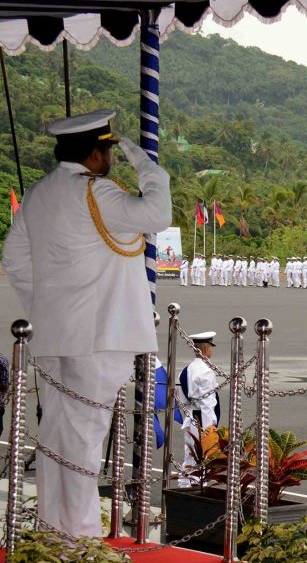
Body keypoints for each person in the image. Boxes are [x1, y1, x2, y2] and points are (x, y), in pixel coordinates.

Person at [3, 108, 172, 536]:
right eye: (109, 151)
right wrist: (146, 166)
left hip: (57, 333)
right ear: (96, 155)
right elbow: (157, 213)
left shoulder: (39, 193)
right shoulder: (98, 193)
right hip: (101, 335)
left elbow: (14, 261)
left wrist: (48, 305)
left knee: (57, 433)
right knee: (82, 438)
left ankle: (53, 527)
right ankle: (78, 539)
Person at [175, 332, 220, 486]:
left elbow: (180, 397)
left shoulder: (185, 371)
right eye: (211, 348)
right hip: (201, 418)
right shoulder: (206, 372)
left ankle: (185, 483)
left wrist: (185, 416)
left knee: (190, 453)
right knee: (203, 454)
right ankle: (198, 484)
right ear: (206, 349)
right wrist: (210, 427)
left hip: (189, 418)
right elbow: (207, 403)